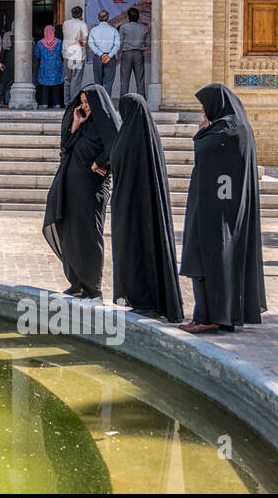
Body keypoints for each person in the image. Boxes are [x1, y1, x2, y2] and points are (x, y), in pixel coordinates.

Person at [178, 84, 267, 333]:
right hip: (212, 205)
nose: (203, 111)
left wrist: (200, 132)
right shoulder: (232, 126)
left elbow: (202, 150)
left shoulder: (229, 128)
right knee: (201, 259)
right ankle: (204, 314)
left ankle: (213, 315)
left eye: (205, 105)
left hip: (219, 211)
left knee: (212, 260)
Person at [42, 84, 121, 299]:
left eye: (88, 102)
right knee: (69, 232)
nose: (85, 106)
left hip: (92, 189)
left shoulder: (107, 124)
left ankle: (92, 287)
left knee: (88, 234)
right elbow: (65, 146)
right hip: (71, 186)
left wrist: (99, 161)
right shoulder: (83, 123)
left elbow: (116, 146)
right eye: (83, 102)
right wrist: (76, 123)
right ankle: (76, 282)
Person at [110, 93, 184, 322]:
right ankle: (140, 298)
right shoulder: (141, 134)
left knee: (137, 250)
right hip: (135, 205)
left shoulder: (133, 136)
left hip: (135, 207)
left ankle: (145, 299)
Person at [117, 7, 150, 99]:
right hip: (139, 54)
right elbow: (147, 43)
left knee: (124, 80)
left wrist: (118, 57)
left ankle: (123, 100)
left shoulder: (123, 27)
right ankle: (142, 100)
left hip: (126, 54)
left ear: (128, 17)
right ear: (138, 17)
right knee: (140, 79)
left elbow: (120, 42)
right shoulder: (144, 28)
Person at [88, 10, 120, 95]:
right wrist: (109, 56)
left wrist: (101, 54)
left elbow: (91, 44)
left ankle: (99, 103)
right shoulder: (114, 30)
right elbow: (117, 45)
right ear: (108, 18)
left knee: (98, 83)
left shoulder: (93, 30)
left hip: (98, 58)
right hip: (110, 58)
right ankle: (107, 104)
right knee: (108, 83)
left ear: (98, 18)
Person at [33, 25, 65, 109]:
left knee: (45, 85)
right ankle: (57, 103)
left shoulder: (40, 43)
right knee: (56, 85)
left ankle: (44, 103)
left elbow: (37, 55)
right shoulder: (59, 42)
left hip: (44, 66)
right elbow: (62, 53)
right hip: (56, 66)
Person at [62, 6, 89, 102]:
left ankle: (66, 101)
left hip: (67, 53)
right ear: (81, 14)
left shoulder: (66, 23)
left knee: (67, 78)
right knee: (76, 78)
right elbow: (85, 38)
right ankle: (74, 101)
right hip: (77, 54)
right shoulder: (82, 24)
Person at [0, 24, 14, 107]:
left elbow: (4, 49)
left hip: (9, 58)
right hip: (20, 58)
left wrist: (1, 62)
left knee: (8, 81)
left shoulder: (7, 35)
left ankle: (7, 100)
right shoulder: (24, 35)